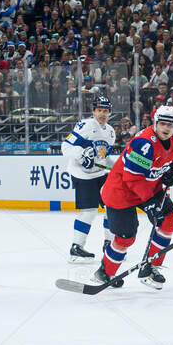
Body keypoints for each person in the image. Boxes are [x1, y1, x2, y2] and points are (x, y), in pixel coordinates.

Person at [91, 104, 173, 290]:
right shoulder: (144, 143)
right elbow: (132, 178)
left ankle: (151, 268)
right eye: (162, 124)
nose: (166, 128)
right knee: (126, 237)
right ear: (155, 123)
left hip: (149, 187)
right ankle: (105, 272)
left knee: (168, 220)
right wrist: (149, 203)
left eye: (170, 125)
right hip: (121, 191)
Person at [60, 92, 118, 262]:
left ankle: (109, 243)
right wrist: (81, 155)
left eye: (106, 111)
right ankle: (76, 247)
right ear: (94, 111)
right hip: (82, 175)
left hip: (100, 173)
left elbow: (104, 158)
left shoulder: (111, 132)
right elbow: (66, 147)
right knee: (89, 211)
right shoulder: (84, 125)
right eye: (99, 110)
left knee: (112, 206)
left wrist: (117, 169)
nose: (102, 114)